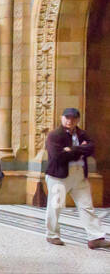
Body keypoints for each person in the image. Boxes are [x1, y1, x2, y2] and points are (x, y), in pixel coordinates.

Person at [42, 107, 109, 250]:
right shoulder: (55, 135)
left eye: (73, 118)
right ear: (62, 118)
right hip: (59, 176)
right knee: (56, 205)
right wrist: (79, 149)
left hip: (79, 175)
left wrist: (71, 149)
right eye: (67, 118)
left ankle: (95, 237)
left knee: (86, 206)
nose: (69, 121)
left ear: (77, 120)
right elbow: (58, 156)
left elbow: (91, 148)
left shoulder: (82, 133)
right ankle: (52, 234)